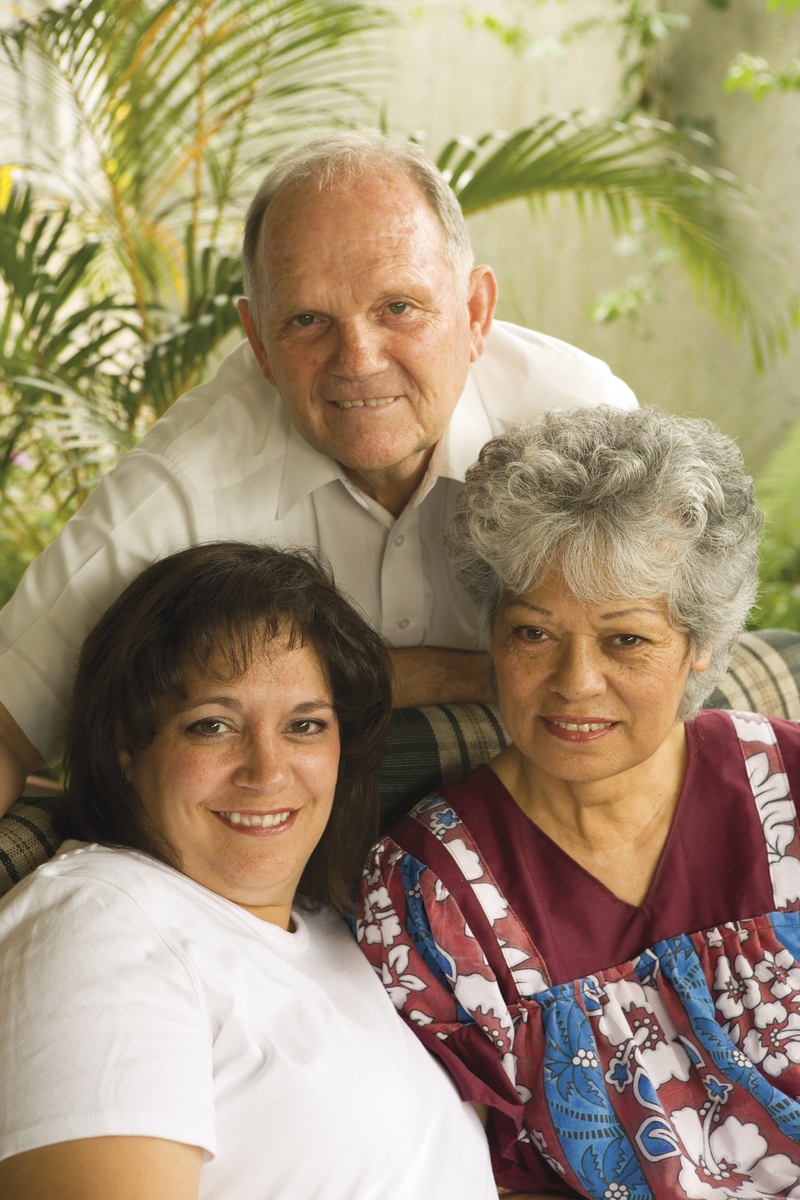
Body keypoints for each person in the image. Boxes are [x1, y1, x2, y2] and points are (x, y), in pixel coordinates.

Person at [0, 129, 637, 818]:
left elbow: (651, 666)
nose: (357, 360)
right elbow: (5, 728)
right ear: (259, 344)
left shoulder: (582, 423)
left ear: (476, 314)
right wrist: (487, 670)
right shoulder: (185, 484)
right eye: (308, 320)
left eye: (398, 307)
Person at [355, 407, 800, 1197]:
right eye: (533, 634)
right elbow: (468, 1174)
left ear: (698, 644)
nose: (575, 682)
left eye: (626, 639)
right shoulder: (430, 892)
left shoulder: (788, 783)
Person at [0, 543, 497, 1200]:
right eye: (212, 726)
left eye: (305, 726)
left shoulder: (344, 933)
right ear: (127, 745)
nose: (266, 771)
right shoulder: (100, 922)